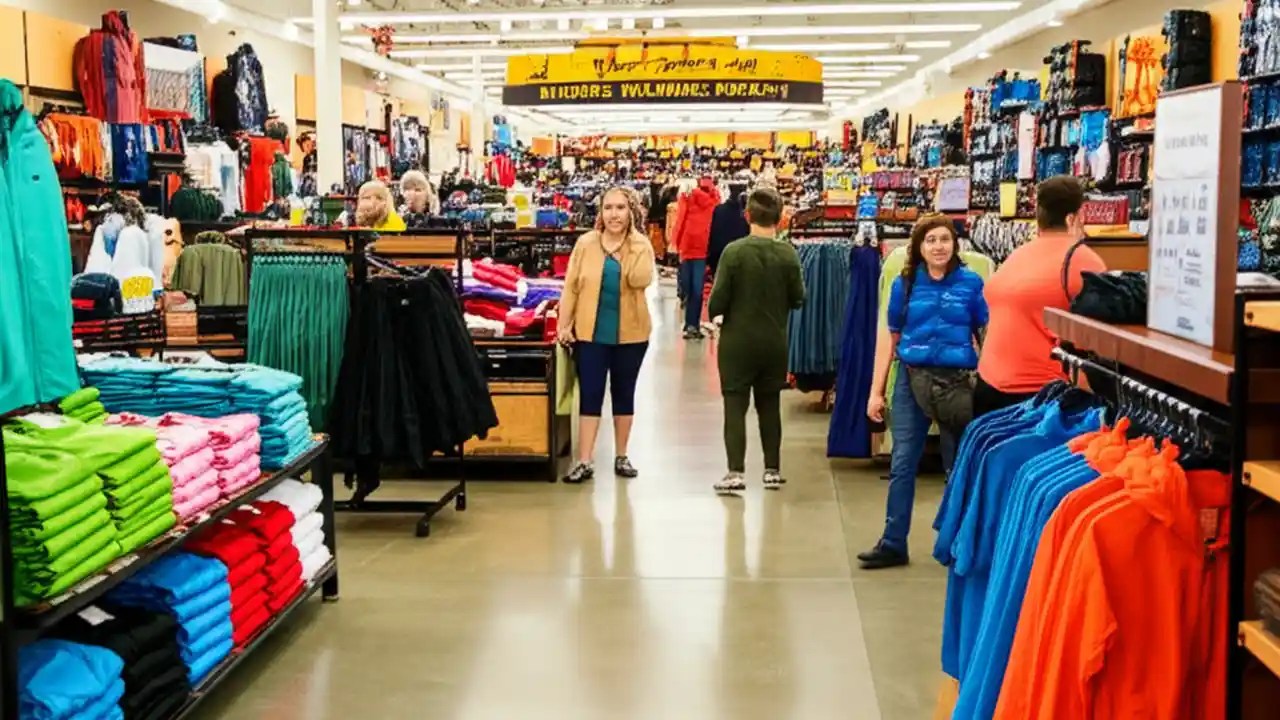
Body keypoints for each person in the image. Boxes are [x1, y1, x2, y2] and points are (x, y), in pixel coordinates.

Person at [860, 215, 988, 569]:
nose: (938, 246)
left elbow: (985, 334)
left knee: (958, 465)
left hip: (957, 382)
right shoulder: (905, 285)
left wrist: (989, 384)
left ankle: (958, 542)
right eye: (930, 240)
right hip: (910, 378)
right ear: (918, 247)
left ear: (954, 244)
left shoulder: (972, 283)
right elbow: (891, 339)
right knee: (903, 462)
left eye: (944, 239)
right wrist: (876, 391)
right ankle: (892, 542)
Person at [976, 176, 1106, 418]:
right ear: (1074, 217)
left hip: (990, 382)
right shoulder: (1082, 259)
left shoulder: (1017, 255)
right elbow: (1096, 337)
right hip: (1039, 394)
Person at [707, 188, 805, 493]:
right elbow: (799, 299)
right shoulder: (788, 253)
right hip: (774, 342)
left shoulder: (734, 252)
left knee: (735, 406)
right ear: (780, 218)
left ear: (747, 216)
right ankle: (772, 470)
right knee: (769, 405)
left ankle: (735, 472)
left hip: (738, 342)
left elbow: (717, 302)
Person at [557, 187, 656, 484]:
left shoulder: (641, 245)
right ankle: (584, 460)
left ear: (631, 212)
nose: (614, 214)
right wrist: (565, 324)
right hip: (590, 334)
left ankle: (622, 455)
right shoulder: (585, 244)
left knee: (624, 394)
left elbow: (640, 279)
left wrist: (634, 243)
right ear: (600, 212)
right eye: (608, 208)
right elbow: (571, 287)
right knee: (590, 395)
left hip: (632, 335)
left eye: (621, 208)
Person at [673, 178, 719, 339]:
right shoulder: (713, 202)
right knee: (697, 289)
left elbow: (680, 220)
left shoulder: (687, 197)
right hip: (702, 248)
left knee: (687, 287)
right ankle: (693, 325)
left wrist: (675, 243)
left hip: (687, 245)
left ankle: (689, 324)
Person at [707, 183, 750, 277]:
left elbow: (712, 234)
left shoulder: (719, 210)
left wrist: (710, 258)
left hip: (719, 257)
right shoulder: (746, 214)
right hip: (740, 257)